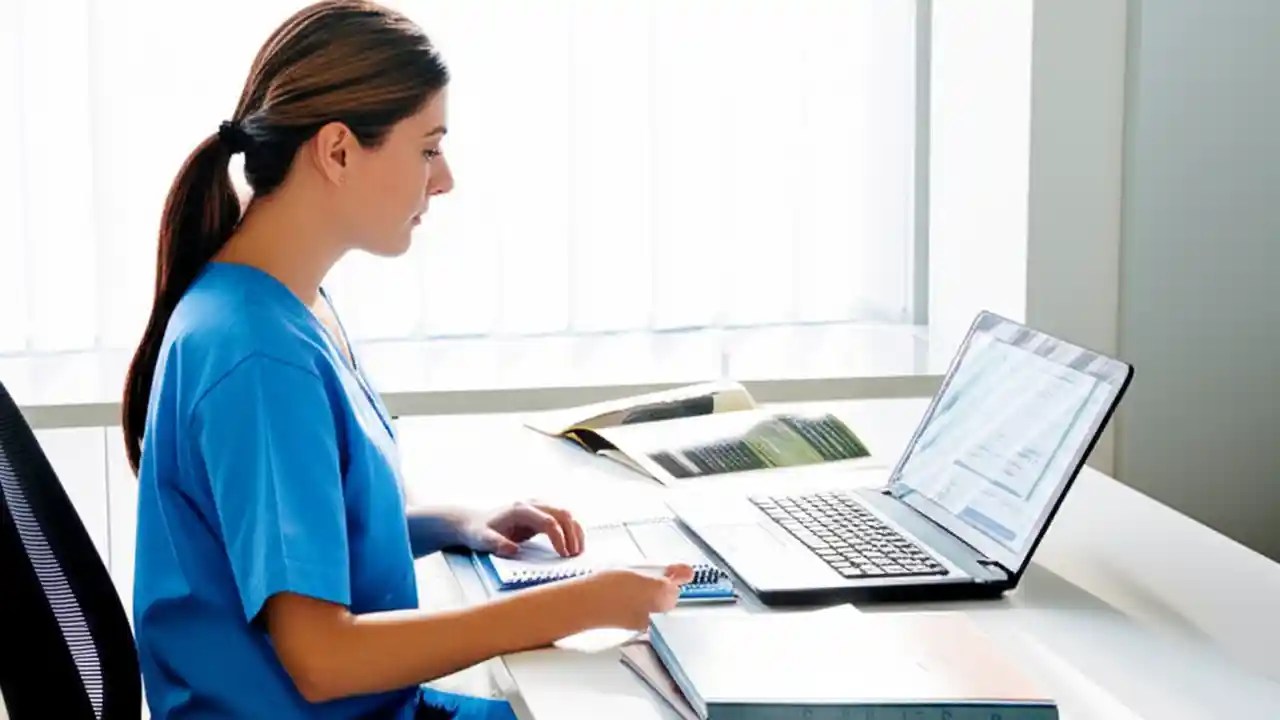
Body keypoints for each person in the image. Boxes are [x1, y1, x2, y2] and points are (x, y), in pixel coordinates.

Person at [122, 2, 694, 718]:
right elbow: (322, 659)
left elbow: (309, 535)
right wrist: (577, 604)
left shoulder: (280, 305)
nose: (445, 177)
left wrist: (456, 523)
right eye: (427, 148)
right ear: (336, 151)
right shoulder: (259, 356)